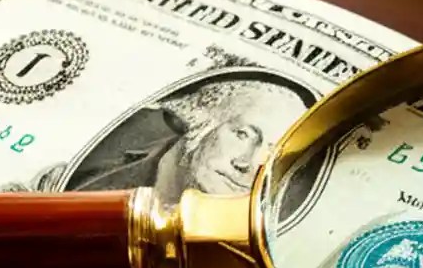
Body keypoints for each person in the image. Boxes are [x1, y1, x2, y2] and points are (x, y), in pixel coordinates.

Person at [63, 76, 312, 205]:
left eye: (271, 151)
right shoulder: (94, 167)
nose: (247, 163)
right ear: (200, 123)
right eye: (242, 134)